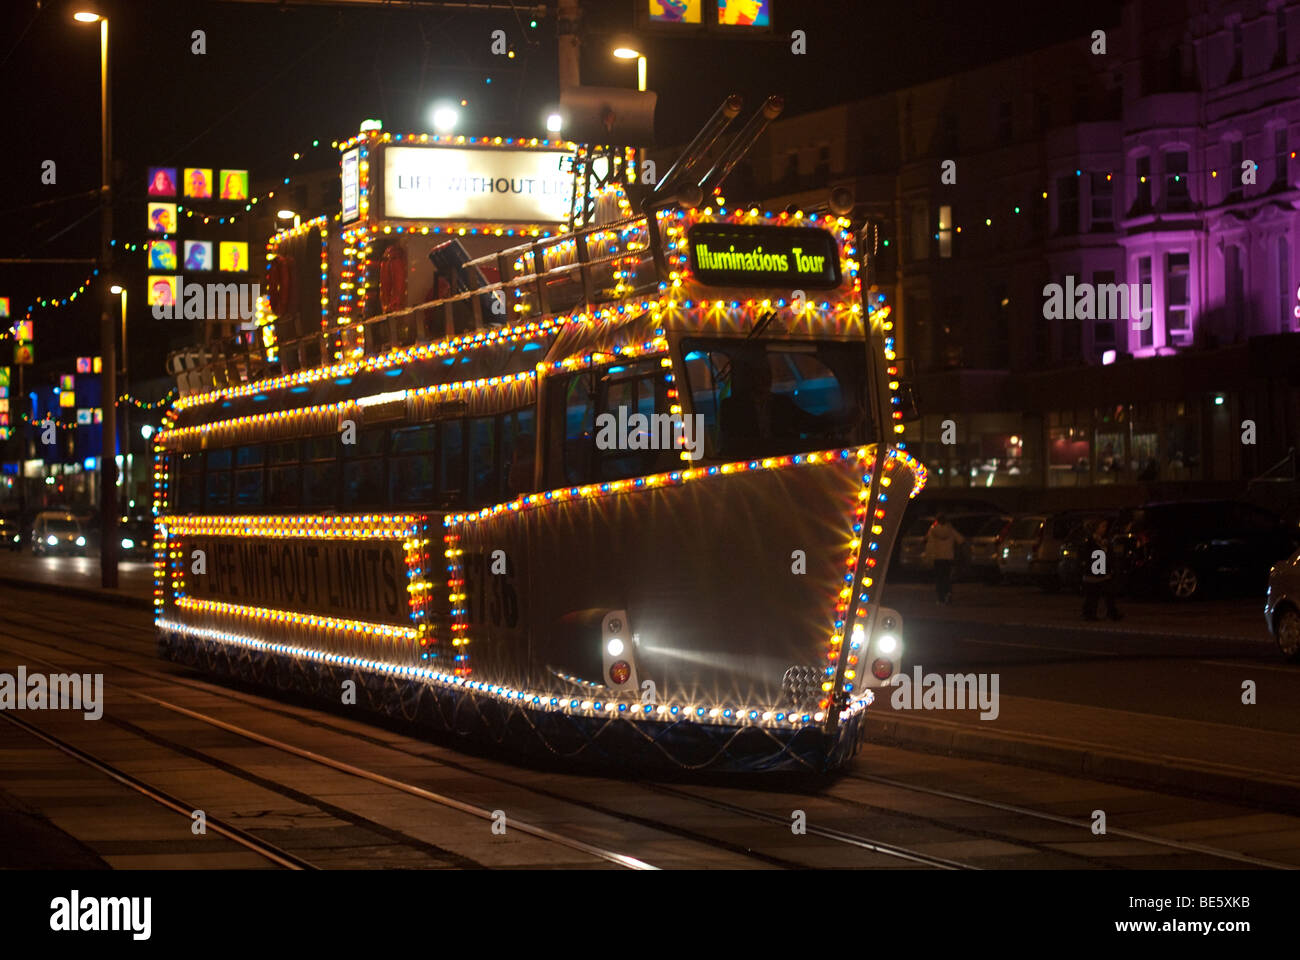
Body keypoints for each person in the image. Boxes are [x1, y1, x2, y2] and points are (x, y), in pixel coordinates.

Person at [1081, 518, 1123, 621]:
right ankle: (1089, 614)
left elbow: (1109, 556)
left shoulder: (1104, 541)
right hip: (1093, 574)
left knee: (1109, 595)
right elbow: (1088, 556)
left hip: (1103, 573)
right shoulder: (1090, 542)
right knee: (1092, 596)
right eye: (1102, 526)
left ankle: (1111, 613)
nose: (1105, 529)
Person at [924, 513, 965, 604]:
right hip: (948, 557)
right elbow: (961, 540)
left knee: (939, 578)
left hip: (937, 557)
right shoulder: (950, 530)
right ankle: (948, 594)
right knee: (947, 577)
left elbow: (926, 540)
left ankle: (940, 597)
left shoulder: (932, 530)